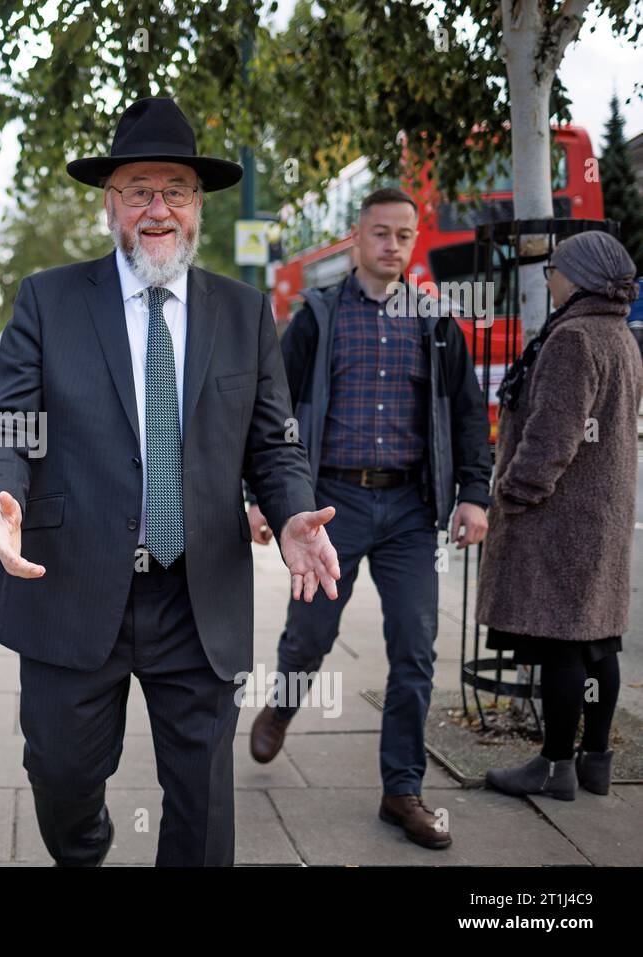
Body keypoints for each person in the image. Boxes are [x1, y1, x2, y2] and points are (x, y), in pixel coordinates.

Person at [0, 97, 339, 866]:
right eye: (138, 189)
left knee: (204, 810)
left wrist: (295, 512)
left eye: (175, 189)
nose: (157, 207)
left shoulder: (245, 313)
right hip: (69, 583)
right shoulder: (48, 299)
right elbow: (5, 424)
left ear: (198, 205)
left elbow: (272, 442)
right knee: (62, 776)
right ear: (110, 204)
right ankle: (89, 844)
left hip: (194, 592)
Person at [245, 186, 492, 850]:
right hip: (333, 504)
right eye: (379, 233)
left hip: (411, 507)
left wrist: (476, 492)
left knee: (415, 647)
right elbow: (272, 409)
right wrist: (263, 500)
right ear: (358, 238)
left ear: (414, 242)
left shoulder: (436, 323)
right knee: (311, 634)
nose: (392, 245)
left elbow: (468, 413)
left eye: (403, 235)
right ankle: (285, 701)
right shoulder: (317, 317)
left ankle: (401, 790)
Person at [480, 231, 642, 800]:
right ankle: (595, 760)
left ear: (577, 278)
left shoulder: (573, 338)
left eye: (554, 269)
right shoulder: (618, 333)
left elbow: (554, 436)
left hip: (562, 518)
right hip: (602, 514)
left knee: (562, 645)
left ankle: (554, 766)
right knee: (600, 640)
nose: (548, 278)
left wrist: (515, 491)